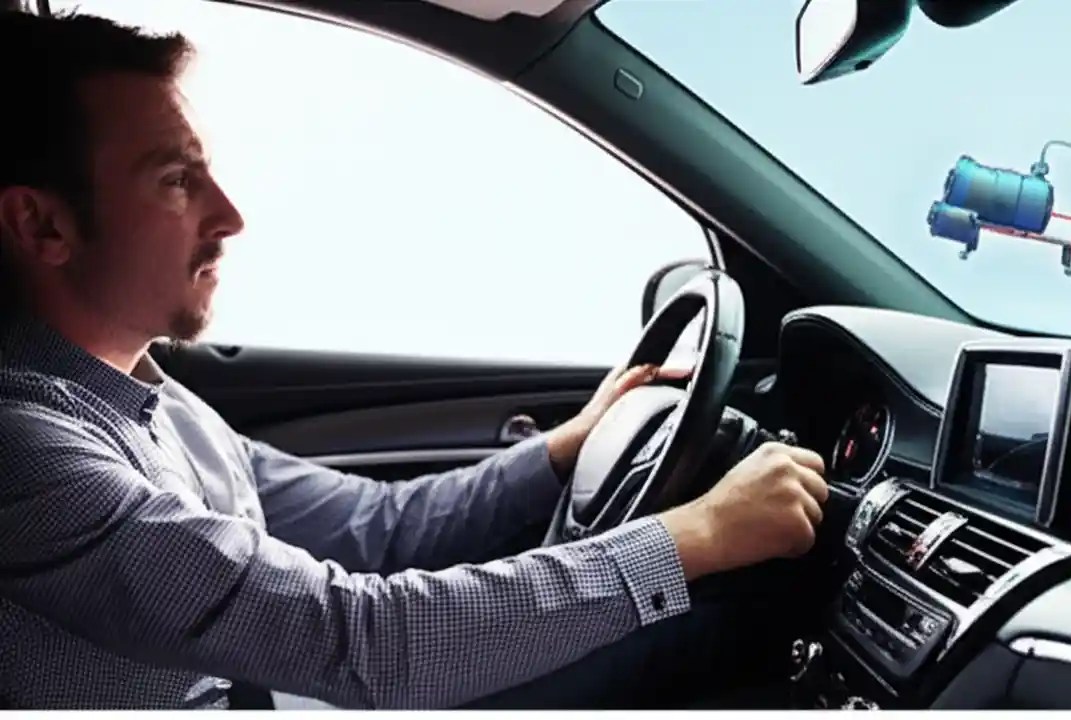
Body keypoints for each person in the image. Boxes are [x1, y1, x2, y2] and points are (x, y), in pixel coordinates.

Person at [0, 9, 830, 710]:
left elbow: (378, 527)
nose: (230, 216)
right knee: (725, 631)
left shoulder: (160, 405)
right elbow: (360, 640)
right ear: (43, 226)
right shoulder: (27, 452)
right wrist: (694, 536)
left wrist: (564, 447)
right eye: (176, 181)